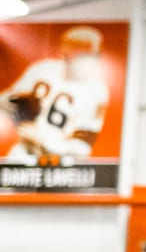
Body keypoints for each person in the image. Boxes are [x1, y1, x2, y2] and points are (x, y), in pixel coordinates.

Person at [1, 25, 110, 166]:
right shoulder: (43, 69)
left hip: (60, 167)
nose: (88, 63)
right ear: (67, 54)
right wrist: (19, 115)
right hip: (23, 155)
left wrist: (43, 140)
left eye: (93, 56)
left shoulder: (96, 90)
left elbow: (82, 147)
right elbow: (7, 100)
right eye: (82, 56)